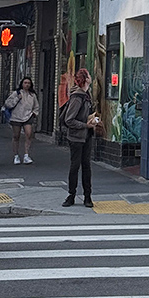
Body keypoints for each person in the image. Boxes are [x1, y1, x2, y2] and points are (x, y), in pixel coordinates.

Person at [62, 68, 97, 208]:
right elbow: (69, 119)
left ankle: (87, 196)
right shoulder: (78, 97)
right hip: (77, 137)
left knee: (86, 166)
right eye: (89, 75)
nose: (91, 77)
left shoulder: (86, 95)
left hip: (86, 136)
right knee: (75, 166)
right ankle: (72, 195)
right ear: (86, 79)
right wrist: (85, 125)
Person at [4, 77, 39, 165]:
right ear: (22, 84)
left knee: (29, 134)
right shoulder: (16, 93)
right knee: (16, 136)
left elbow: (36, 106)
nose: (27, 84)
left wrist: (34, 113)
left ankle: (26, 155)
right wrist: (17, 98)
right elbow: (8, 103)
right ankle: (16, 155)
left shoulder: (32, 95)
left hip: (28, 116)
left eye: (28, 83)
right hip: (16, 117)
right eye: (25, 83)